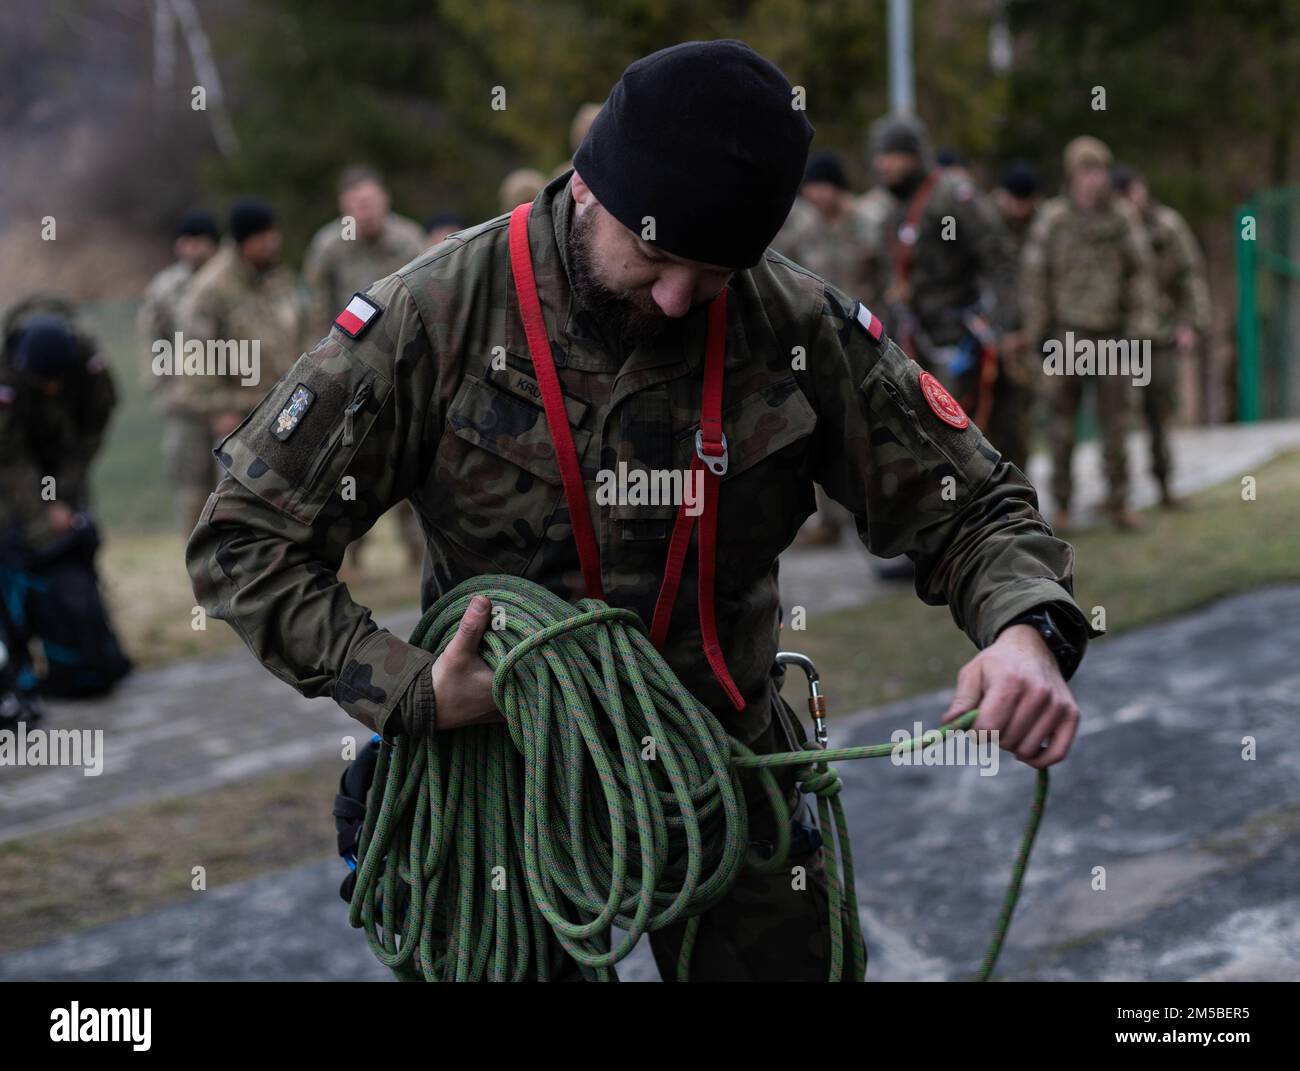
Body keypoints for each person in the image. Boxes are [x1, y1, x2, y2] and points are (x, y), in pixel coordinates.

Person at [187, 40, 1092, 982]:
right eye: (655, 257)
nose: (675, 298)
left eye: (711, 275)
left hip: (725, 771)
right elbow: (245, 537)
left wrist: (1025, 627)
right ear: (587, 189)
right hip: (507, 780)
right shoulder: (434, 316)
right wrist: (403, 686)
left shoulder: (790, 323)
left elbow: (974, 503)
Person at [1021, 137, 1157, 530]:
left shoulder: (1121, 218)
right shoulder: (1054, 218)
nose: (1095, 179)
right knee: (1060, 425)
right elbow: (1035, 279)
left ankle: (1119, 501)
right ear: (1073, 175)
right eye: (1087, 171)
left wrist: (1140, 329)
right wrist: (1038, 333)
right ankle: (1062, 504)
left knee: (1116, 423)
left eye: (1101, 170)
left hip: (1113, 334)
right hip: (1067, 335)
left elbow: (1141, 273)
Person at [0, 298, 131, 699]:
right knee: (12, 544)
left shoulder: (89, 365)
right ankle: (15, 661)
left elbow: (93, 428)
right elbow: (10, 458)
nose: (53, 387)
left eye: (59, 378)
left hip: (66, 456)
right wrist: (41, 511)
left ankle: (93, 649)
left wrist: (64, 497)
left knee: (77, 541)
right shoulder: (7, 375)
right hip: (14, 465)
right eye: (44, 381)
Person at [871, 116, 1020, 454]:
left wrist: (1007, 325)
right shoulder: (893, 210)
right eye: (879, 155)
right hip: (913, 338)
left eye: (892, 154)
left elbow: (999, 258)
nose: (882, 164)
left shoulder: (953, 195)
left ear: (914, 155)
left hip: (960, 339)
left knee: (965, 432)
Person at [304, 169, 428, 572]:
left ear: (385, 200)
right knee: (350, 465)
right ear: (345, 208)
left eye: (372, 203)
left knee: (410, 455)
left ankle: (417, 552)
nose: (367, 212)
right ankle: (350, 554)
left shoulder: (409, 240)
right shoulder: (328, 247)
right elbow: (316, 310)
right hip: (348, 368)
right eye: (358, 205)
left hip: (402, 364)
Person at [773, 151, 886, 546]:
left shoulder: (868, 224)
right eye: (813, 188)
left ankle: (873, 515)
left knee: (868, 427)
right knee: (819, 426)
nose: (818, 195)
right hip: (819, 343)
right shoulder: (803, 228)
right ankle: (827, 522)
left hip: (866, 341)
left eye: (824, 186)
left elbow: (889, 280)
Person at [175, 198, 307, 469]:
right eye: (263, 237)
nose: (272, 243)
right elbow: (197, 362)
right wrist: (222, 409)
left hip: (290, 411)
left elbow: (304, 330)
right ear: (245, 241)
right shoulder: (211, 290)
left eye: (274, 235)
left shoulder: (279, 279)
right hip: (241, 423)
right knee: (245, 507)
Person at [1113, 164, 1211, 508]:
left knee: (1160, 413)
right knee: (1117, 418)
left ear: (1143, 188)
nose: (1128, 200)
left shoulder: (1167, 227)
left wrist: (1191, 323)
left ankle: (1165, 484)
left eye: (1132, 191)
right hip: (1119, 338)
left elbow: (1191, 276)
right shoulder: (1111, 230)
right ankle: (1118, 495)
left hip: (1160, 336)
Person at [139, 210, 222, 534]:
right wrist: (161, 387)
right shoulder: (165, 288)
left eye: (198, 241)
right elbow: (152, 339)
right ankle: (196, 557)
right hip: (184, 404)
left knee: (233, 485)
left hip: (230, 401)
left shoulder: (229, 283)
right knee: (190, 488)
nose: (191, 249)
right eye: (185, 242)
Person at [987, 161, 1045, 474]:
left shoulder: (1044, 227)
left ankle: (1020, 496)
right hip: (984, 340)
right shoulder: (982, 223)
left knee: (1019, 424)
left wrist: (1029, 334)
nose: (1019, 209)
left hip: (1025, 342)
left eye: (1026, 201)